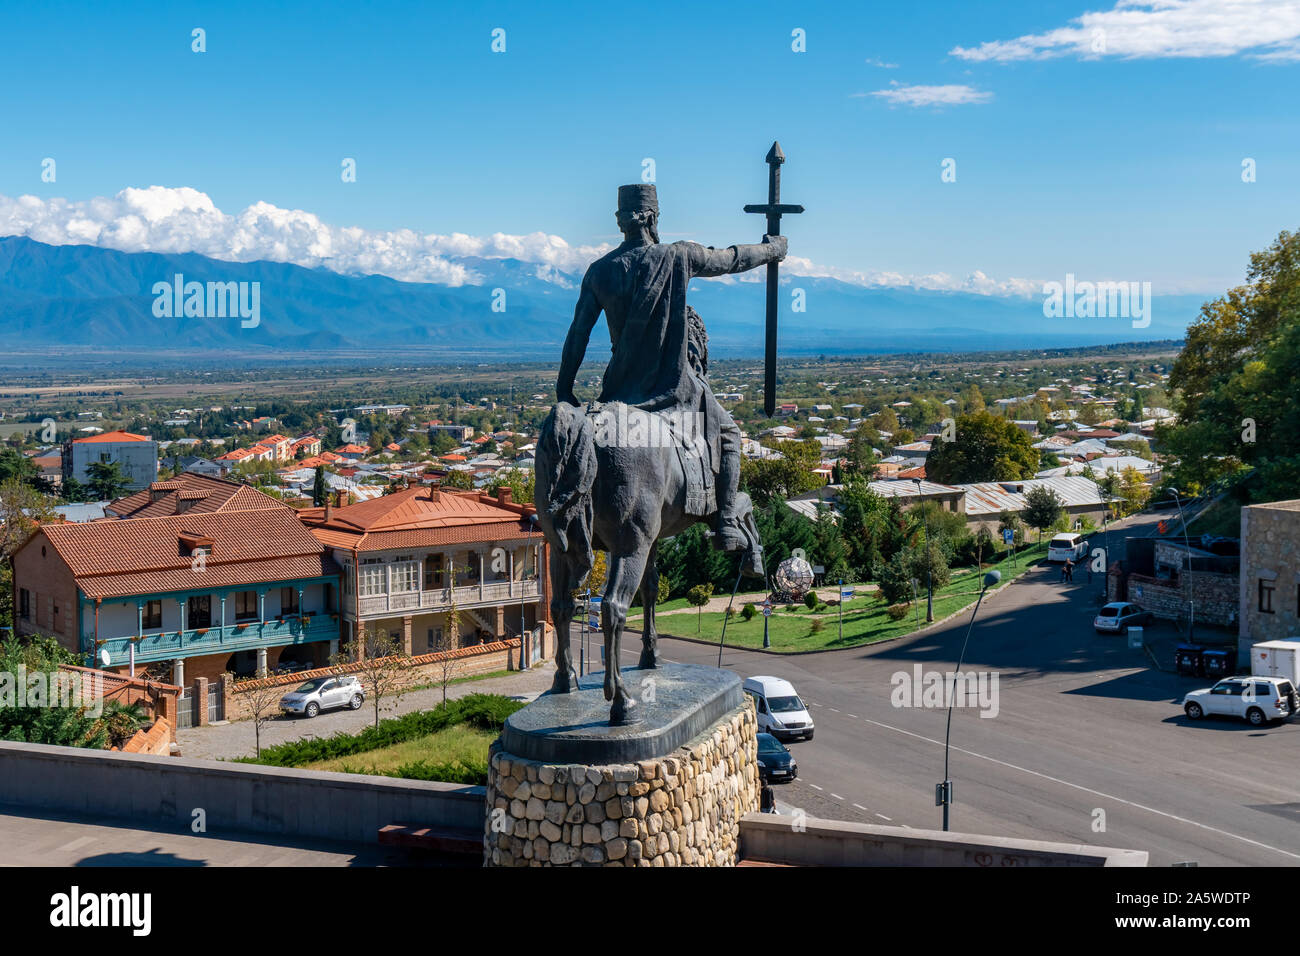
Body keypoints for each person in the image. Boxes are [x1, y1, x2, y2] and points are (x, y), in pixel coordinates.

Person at [555, 183, 786, 564]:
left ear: (620, 221)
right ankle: (726, 518)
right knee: (728, 433)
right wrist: (773, 250)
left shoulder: (600, 272)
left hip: (620, 392)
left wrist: (565, 389)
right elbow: (732, 258)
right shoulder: (678, 256)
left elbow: (577, 335)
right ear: (652, 218)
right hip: (675, 388)